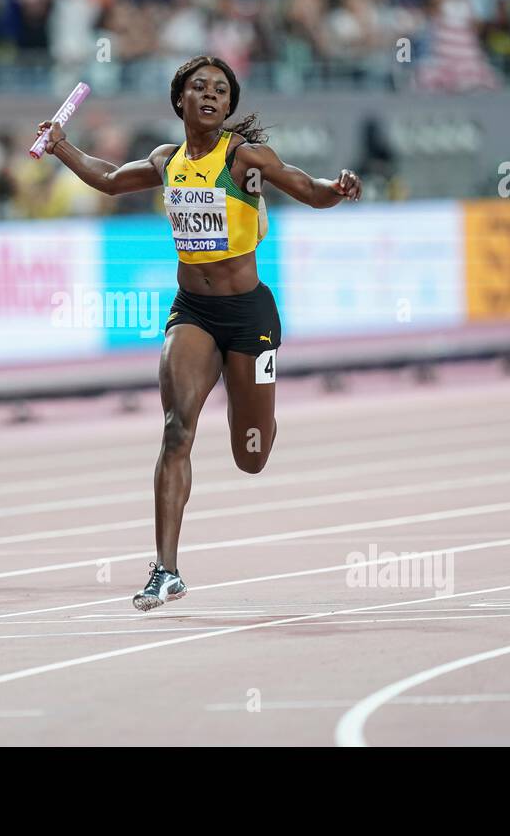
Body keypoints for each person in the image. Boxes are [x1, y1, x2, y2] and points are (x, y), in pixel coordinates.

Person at [36, 54, 361, 611]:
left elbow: (305, 187)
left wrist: (338, 186)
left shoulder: (244, 159)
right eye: (199, 88)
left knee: (251, 455)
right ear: (179, 100)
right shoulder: (167, 161)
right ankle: (166, 570)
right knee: (175, 429)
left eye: (220, 90)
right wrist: (62, 145)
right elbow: (111, 180)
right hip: (193, 313)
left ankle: (251, 399)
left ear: (229, 106)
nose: (210, 96)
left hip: (249, 317)